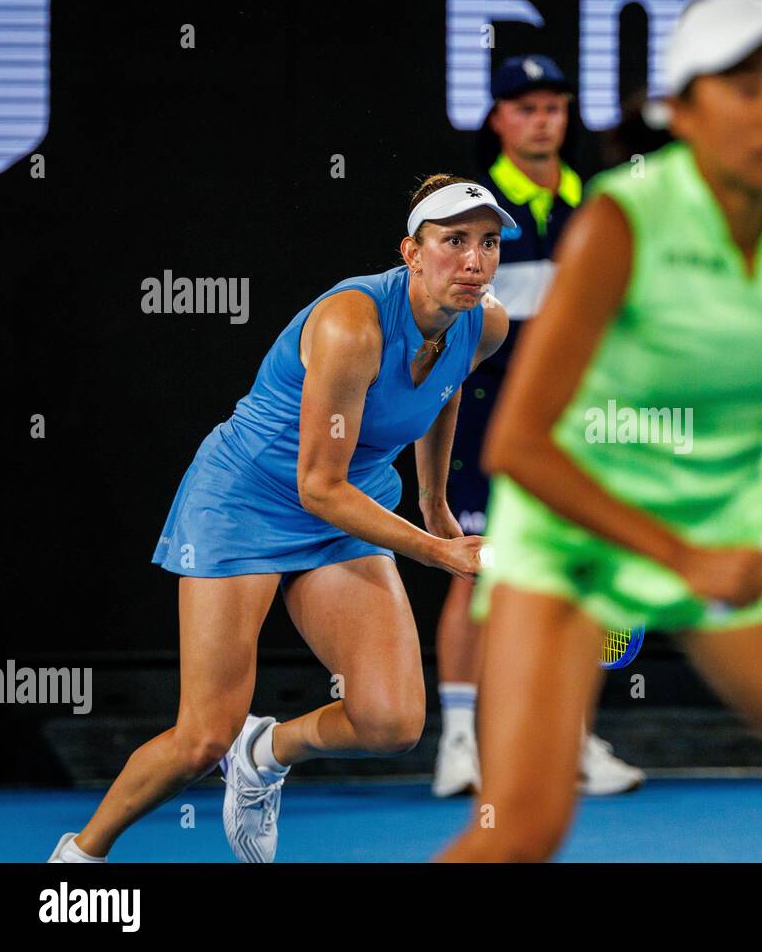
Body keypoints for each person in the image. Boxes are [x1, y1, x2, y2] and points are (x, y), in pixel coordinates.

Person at [438, 0, 762, 862]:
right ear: (685, 109)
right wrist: (683, 559)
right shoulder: (622, 223)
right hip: (573, 530)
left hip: (734, 515)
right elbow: (518, 445)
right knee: (519, 832)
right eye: (749, 89)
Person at [48, 175, 512, 863]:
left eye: (489, 243)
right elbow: (318, 486)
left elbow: (443, 397)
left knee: (391, 723)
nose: (474, 261)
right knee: (202, 738)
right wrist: (440, 553)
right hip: (246, 499)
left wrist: (435, 503)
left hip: (346, 501)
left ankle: (265, 753)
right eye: (453, 242)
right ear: (412, 252)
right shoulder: (351, 324)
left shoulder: (484, 321)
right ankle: (80, 857)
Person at [433, 54, 643, 797]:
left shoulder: (606, 203)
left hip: (580, 428)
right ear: (497, 119)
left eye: (553, 105)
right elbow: (447, 316)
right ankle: (459, 744)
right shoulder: (474, 213)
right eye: (525, 107)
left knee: (579, 581)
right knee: (475, 574)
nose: (542, 119)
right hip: (487, 422)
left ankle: (573, 739)